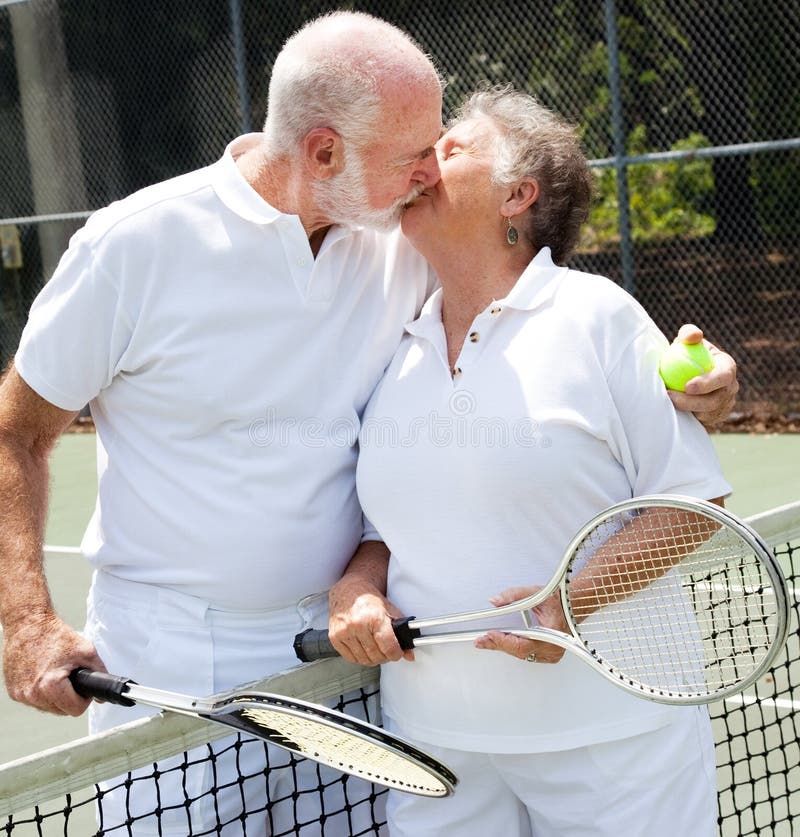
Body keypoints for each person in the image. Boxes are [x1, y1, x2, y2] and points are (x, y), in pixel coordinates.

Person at [0, 9, 734, 835]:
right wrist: (27, 622)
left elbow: (529, 306)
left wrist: (697, 380)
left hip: (346, 670)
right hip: (171, 663)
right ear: (323, 153)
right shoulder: (132, 247)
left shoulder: (400, 247)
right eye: (413, 154)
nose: (426, 173)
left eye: (441, 148)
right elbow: (15, 431)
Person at [327, 87, 731, 837]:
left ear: (518, 193)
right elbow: (389, 533)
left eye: (450, 149)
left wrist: (563, 603)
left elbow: (691, 506)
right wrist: (356, 590)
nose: (424, 164)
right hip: (436, 748)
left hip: (614, 745)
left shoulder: (597, 317)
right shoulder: (398, 347)